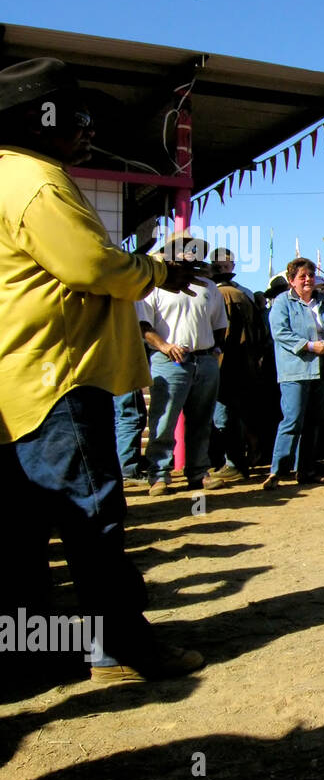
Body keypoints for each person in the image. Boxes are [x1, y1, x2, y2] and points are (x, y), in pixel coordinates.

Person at [0, 56, 205, 682]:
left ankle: (28, 655)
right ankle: (117, 648)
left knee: (24, 528)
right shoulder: (37, 182)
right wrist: (158, 271)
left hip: (21, 379)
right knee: (92, 517)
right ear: (43, 121)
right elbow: (91, 267)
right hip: (61, 377)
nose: (89, 129)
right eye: (79, 117)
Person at [136, 229, 229, 496]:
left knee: (202, 420)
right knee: (164, 419)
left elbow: (220, 324)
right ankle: (159, 475)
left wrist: (215, 350)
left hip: (204, 359)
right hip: (169, 360)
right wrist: (164, 346)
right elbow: (143, 325)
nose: (190, 253)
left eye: (193, 248)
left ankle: (199, 472)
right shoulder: (154, 286)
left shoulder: (208, 287)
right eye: (185, 247)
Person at [263, 257, 324, 489]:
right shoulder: (282, 303)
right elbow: (280, 333)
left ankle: (306, 469)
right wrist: (310, 346)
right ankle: (277, 471)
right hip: (295, 370)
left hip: (323, 369)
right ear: (292, 281)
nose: (308, 279)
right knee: (292, 420)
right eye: (302, 276)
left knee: (314, 421)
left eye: (310, 275)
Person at [210, 246, 267, 481]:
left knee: (224, 416)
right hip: (246, 364)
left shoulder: (215, 294)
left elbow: (219, 334)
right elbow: (261, 333)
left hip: (225, 365)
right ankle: (244, 457)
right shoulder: (245, 295)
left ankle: (233, 463)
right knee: (240, 414)